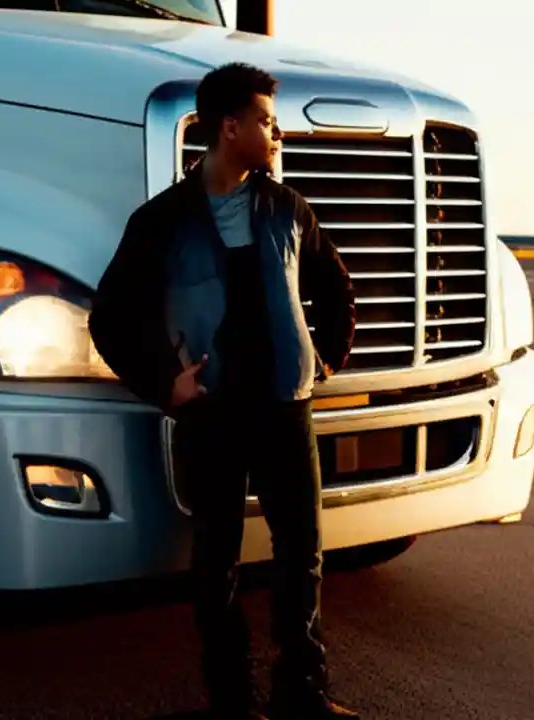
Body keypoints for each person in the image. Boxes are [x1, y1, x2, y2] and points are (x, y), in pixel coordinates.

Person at [88, 63, 359, 719]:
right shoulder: (161, 221)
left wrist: (320, 361)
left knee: (304, 557)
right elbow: (110, 318)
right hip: (210, 414)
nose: (277, 131)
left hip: (285, 410)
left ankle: (303, 695)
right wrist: (164, 383)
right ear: (230, 127)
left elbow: (336, 291)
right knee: (217, 565)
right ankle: (232, 700)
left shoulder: (290, 211)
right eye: (267, 120)